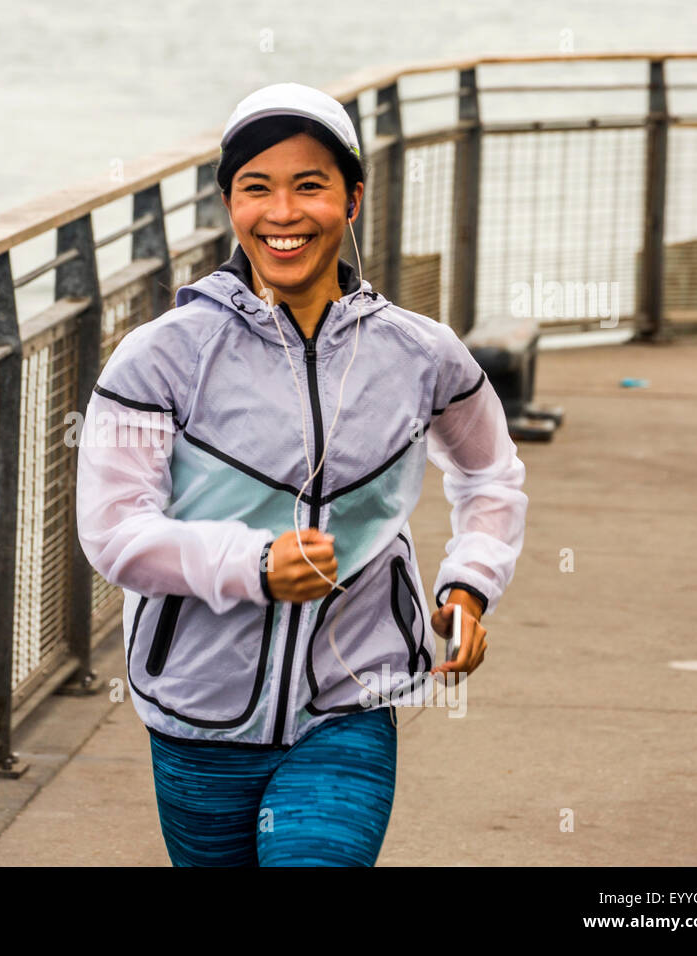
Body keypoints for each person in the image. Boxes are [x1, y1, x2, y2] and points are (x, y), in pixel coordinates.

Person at [75, 82, 528, 866]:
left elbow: (491, 474)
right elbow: (113, 531)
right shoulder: (161, 356)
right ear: (229, 205)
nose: (283, 213)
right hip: (198, 711)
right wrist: (251, 566)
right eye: (257, 188)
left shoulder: (422, 354)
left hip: (352, 703)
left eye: (310, 185)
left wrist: (468, 585)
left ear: (352, 199)